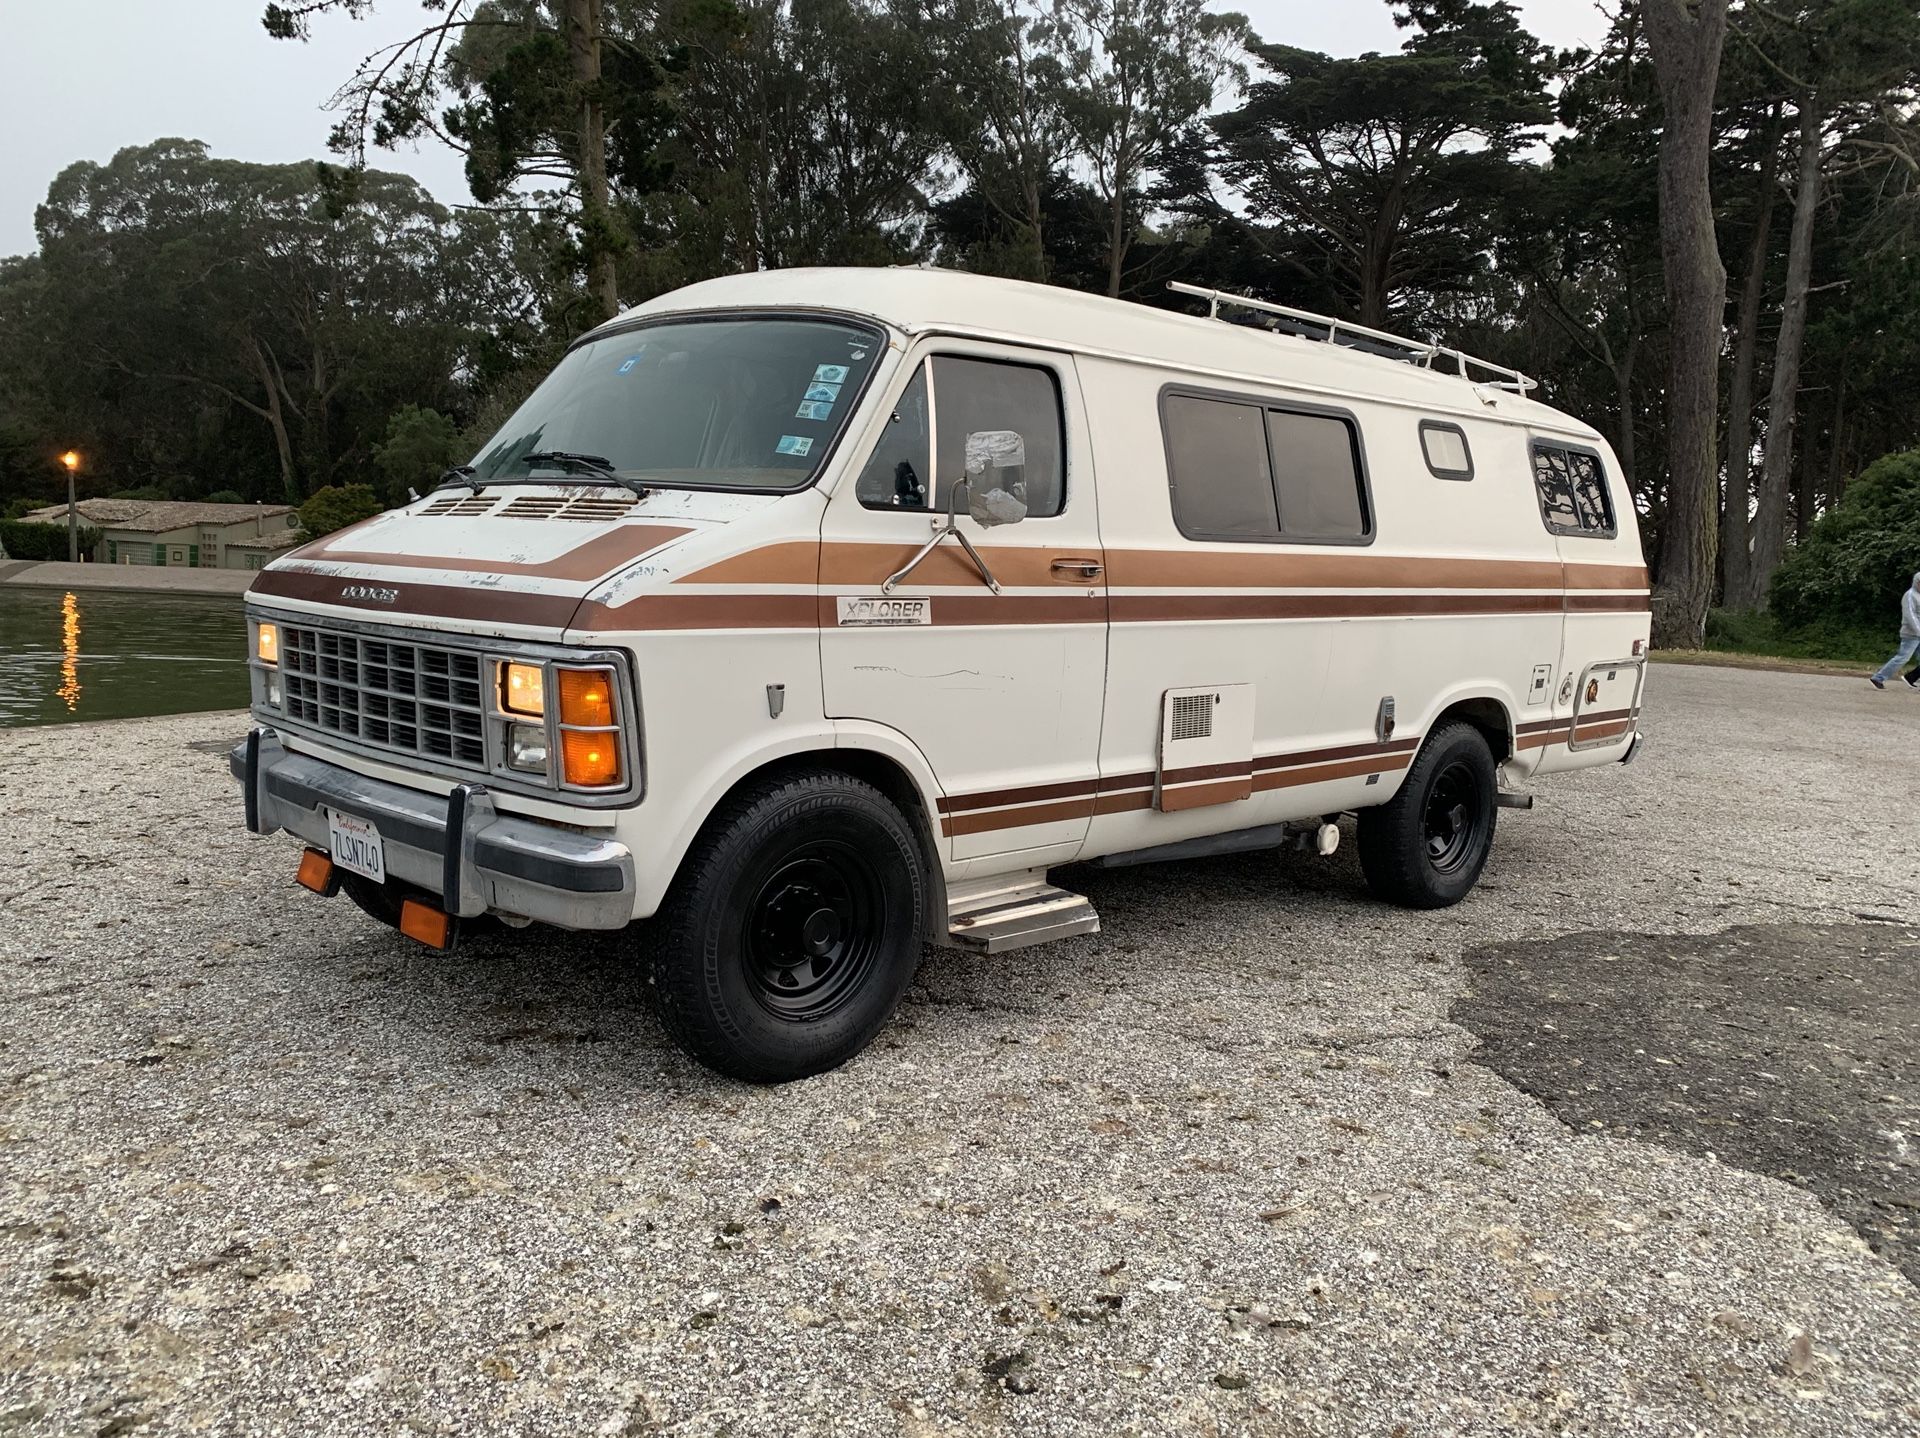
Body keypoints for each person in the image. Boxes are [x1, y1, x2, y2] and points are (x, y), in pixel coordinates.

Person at [1868, 570, 1920, 689]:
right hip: (1911, 634)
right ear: (1916, 582)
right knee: (1902, 658)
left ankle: (1910, 678)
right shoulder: (1910, 595)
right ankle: (1878, 677)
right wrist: (1918, 630)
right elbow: (1909, 615)